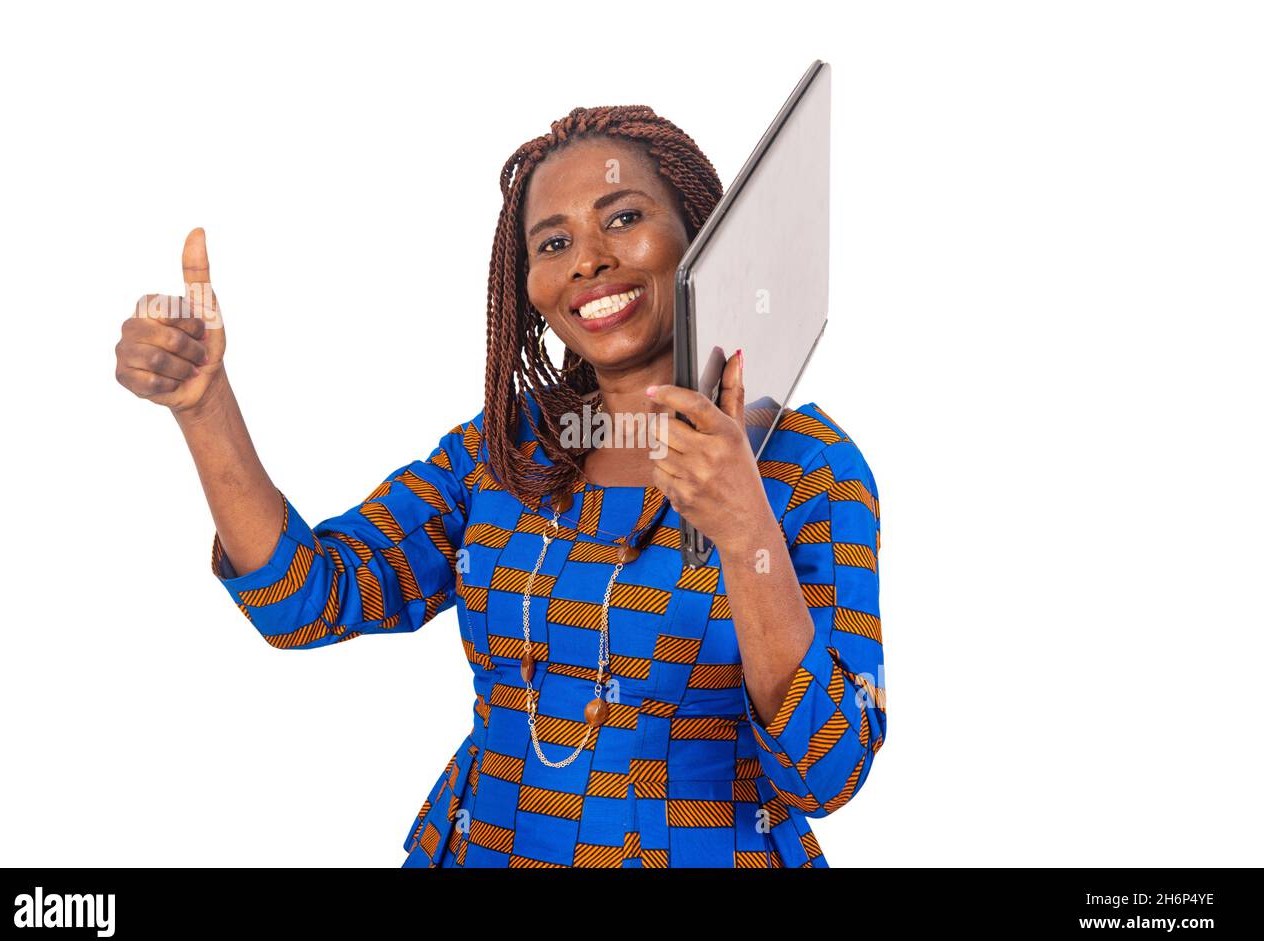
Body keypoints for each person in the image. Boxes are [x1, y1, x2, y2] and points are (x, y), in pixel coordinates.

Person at [113, 105, 886, 868]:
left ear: (700, 236)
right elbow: (305, 599)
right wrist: (206, 408)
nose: (587, 259)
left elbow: (829, 769)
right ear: (532, 286)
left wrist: (745, 526)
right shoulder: (506, 452)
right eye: (554, 242)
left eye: (621, 219)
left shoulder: (807, 466)